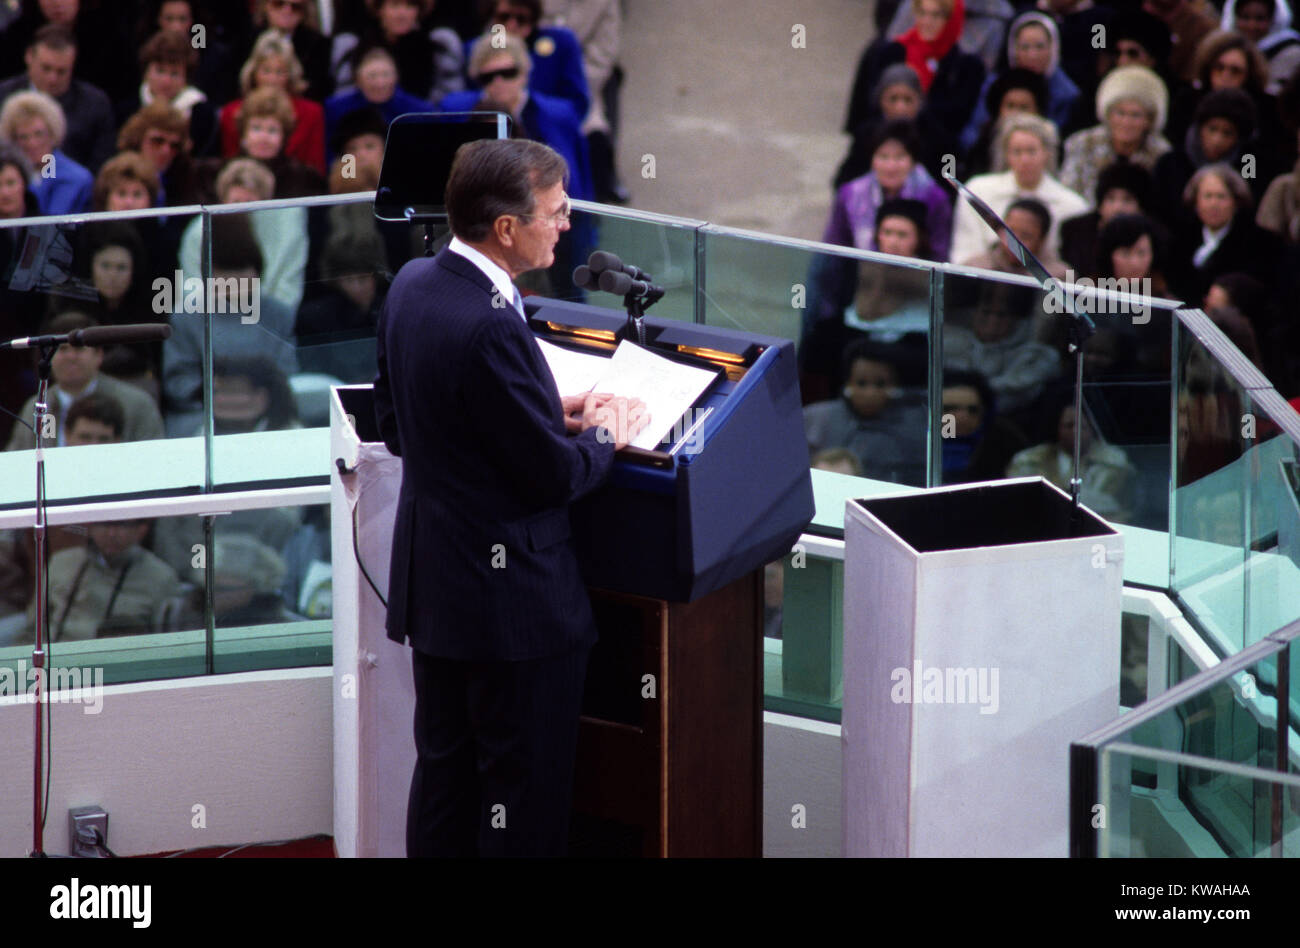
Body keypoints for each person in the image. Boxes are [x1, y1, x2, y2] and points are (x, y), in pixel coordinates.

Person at [372, 137, 647, 857]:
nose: (564, 224)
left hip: (437, 594)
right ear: (506, 228)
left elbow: (399, 425)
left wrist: (539, 411)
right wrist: (606, 436)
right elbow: (556, 479)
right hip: (513, 615)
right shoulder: (493, 323)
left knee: (445, 782)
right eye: (554, 213)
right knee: (520, 802)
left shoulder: (412, 285)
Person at [6, 312, 165, 452]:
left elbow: (153, 461)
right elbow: (17, 462)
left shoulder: (135, 404)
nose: (71, 357)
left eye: (78, 349)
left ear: (99, 355)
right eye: (62, 349)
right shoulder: (37, 407)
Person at [947, 113, 1088, 264]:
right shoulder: (977, 191)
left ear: (1047, 153)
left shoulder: (1074, 206)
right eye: (1017, 152)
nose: (1024, 160)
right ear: (1006, 155)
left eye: (1031, 151)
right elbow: (963, 254)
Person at [0, 25, 116, 172]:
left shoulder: (95, 105)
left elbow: (101, 167)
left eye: (61, 71)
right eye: (46, 68)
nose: (52, 78)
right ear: (29, 56)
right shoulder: (2, 97)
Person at [1059, 65, 1172, 207]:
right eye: (1120, 113)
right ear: (1108, 114)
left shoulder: (1161, 153)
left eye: (1135, 115)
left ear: (1149, 120)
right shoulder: (1082, 143)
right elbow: (1070, 193)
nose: (1126, 122)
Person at [0, 89, 92, 214]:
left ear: (52, 132)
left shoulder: (75, 178)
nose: (32, 143)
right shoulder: (8, 175)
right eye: (23, 137)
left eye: (39, 134)